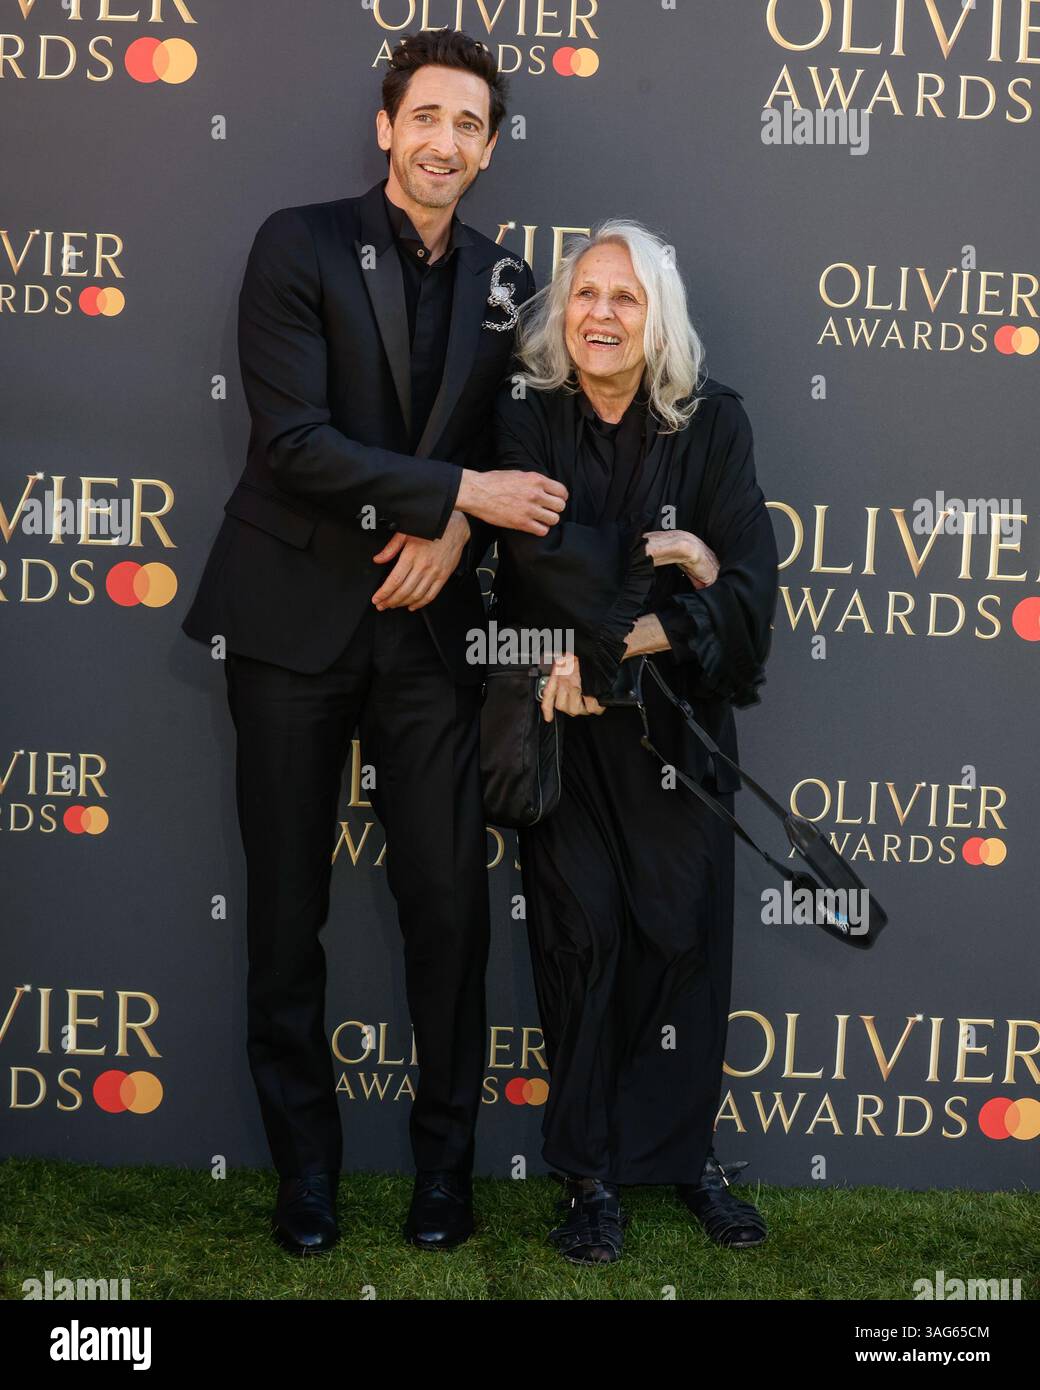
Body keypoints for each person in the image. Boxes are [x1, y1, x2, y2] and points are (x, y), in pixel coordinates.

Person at [180, 31, 567, 1256]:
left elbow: (528, 470)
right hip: (291, 619)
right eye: (427, 117)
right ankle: (307, 1176)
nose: (447, 141)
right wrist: (456, 495)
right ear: (387, 128)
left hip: (431, 636)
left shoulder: (512, 284)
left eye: (472, 126)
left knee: (446, 909)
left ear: (491, 149)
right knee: (287, 912)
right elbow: (293, 443)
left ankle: (442, 1172)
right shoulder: (296, 243)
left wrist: (457, 534)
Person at [490, 221, 780, 1263]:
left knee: (680, 944)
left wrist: (659, 614)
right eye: (585, 294)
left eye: (626, 297)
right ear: (560, 312)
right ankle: (587, 1178)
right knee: (580, 940)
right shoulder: (526, 411)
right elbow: (533, 563)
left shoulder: (711, 423)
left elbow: (749, 585)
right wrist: (669, 565)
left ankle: (680, 1156)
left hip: (675, 736)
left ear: (658, 317)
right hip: (562, 734)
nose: (601, 314)